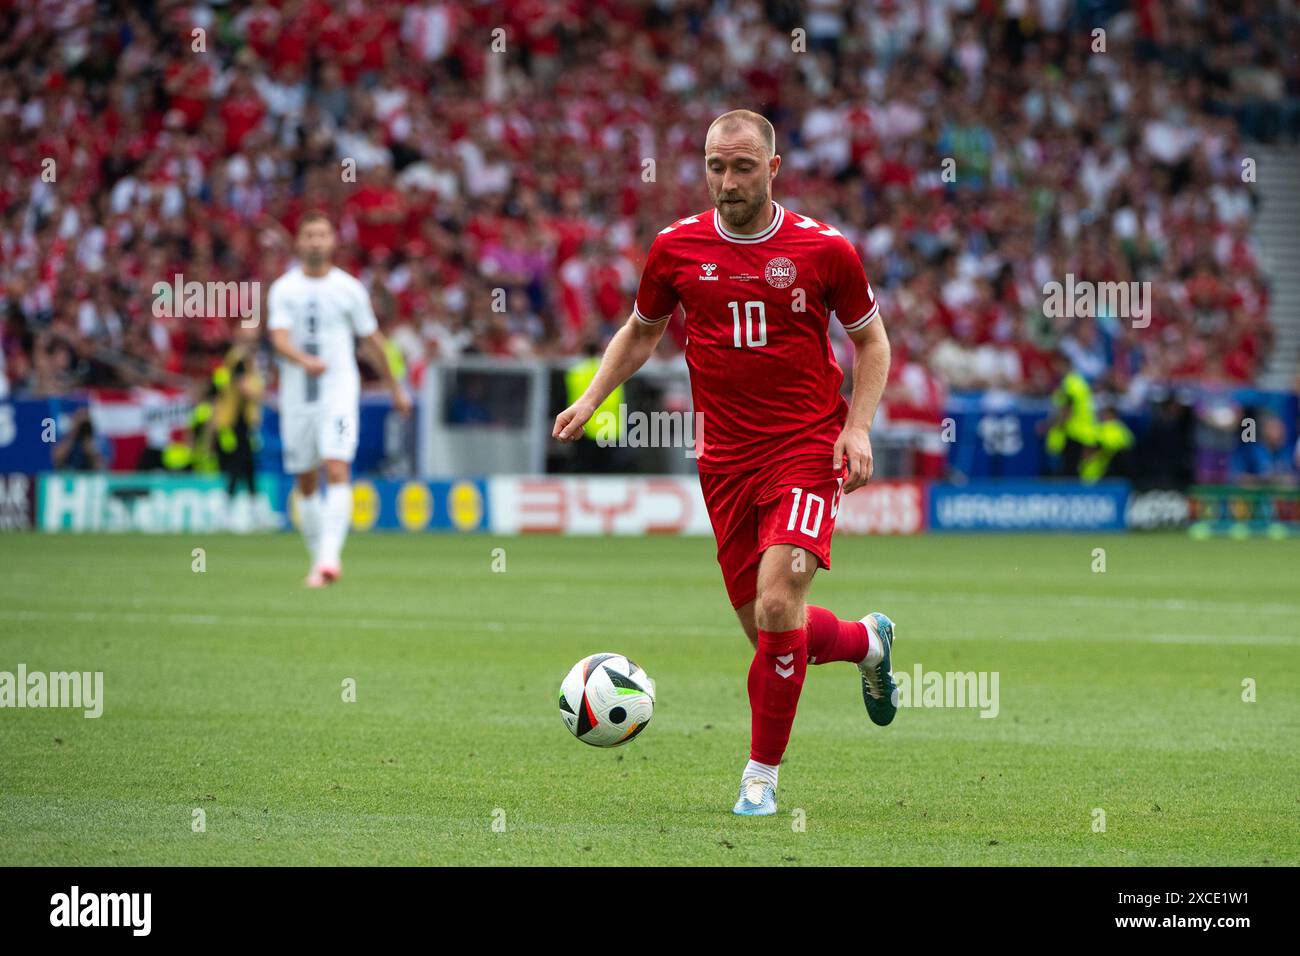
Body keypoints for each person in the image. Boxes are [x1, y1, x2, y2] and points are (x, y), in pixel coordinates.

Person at [553, 110, 896, 817]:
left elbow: (873, 343)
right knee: (772, 630)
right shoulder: (676, 248)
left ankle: (760, 780)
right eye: (716, 166)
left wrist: (856, 430)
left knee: (778, 602)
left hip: (804, 447)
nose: (728, 181)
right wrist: (591, 398)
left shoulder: (823, 250)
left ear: (773, 168)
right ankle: (868, 642)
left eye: (742, 167)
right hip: (725, 462)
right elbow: (642, 332)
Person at [267, 212, 412, 588]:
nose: (316, 241)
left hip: (338, 392)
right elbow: (279, 339)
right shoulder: (284, 289)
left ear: (333, 242)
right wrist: (303, 360)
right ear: (298, 242)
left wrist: (395, 387)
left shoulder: (348, 289)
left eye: (322, 235)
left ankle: (330, 557)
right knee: (305, 479)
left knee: (336, 467)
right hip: (297, 394)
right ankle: (319, 559)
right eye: (309, 235)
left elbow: (373, 341)